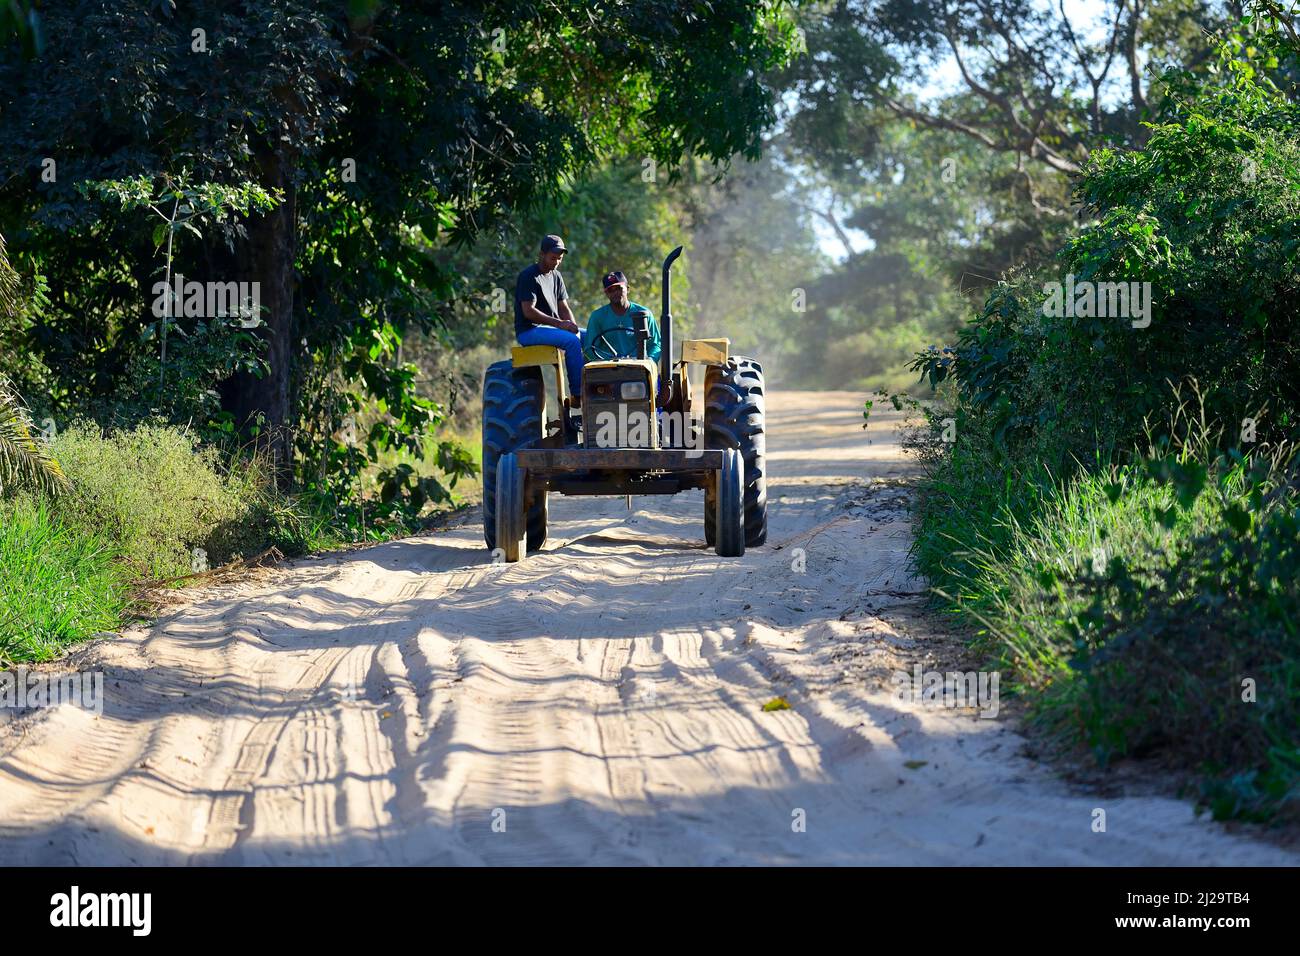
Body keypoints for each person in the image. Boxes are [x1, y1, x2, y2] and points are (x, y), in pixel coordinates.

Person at [515, 234, 585, 401]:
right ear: (542, 254)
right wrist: (560, 324)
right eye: (553, 258)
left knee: (592, 336)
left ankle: (601, 387)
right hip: (529, 331)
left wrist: (573, 326)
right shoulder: (529, 276)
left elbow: (563, 307)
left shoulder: (557, 276)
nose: (556, 262)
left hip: (552, 328)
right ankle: (579, 393)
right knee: (572, 341)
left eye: (559, 259)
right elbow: (528, 311)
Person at [584, 271, 661, 363]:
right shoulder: (597, 316)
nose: (615, 293)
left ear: (627, 289)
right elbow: (589, 349)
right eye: (610, 290)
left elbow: (656, 345)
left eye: (618, 288)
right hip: (608, 368)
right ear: (606, 293)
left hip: (638, 366)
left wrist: (650, 361)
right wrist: (607, 362)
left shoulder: (644, 314)